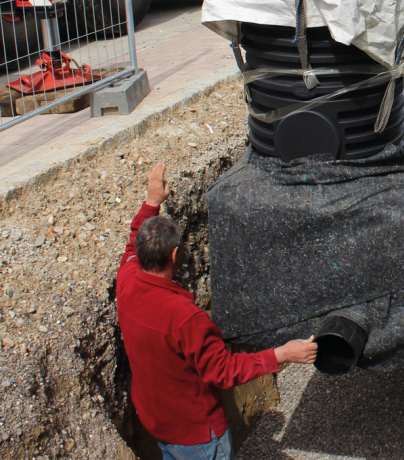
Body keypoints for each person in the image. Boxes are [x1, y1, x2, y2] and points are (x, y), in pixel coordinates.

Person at [117, 162, 317, 460]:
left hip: (158, 425)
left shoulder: (127, 280)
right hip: (198, 437)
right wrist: (283, 354)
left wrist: (152, 202)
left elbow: (131, 247)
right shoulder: (185, 318)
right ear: (175, 254)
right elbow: (223, 371)